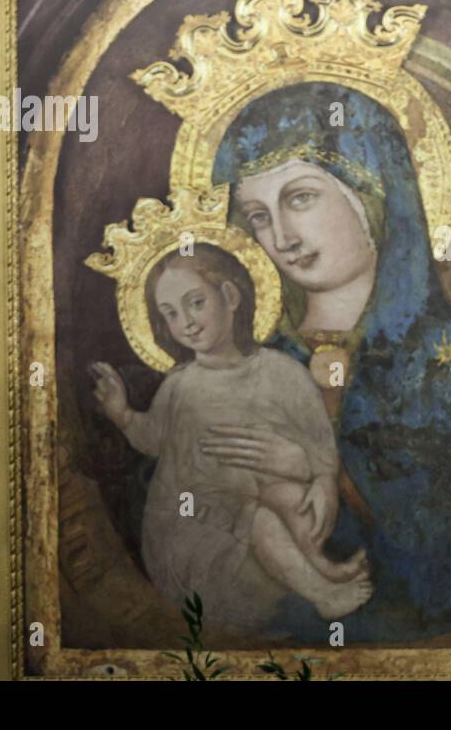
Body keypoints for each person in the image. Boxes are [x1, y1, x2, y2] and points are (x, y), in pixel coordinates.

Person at [203, 81, 451, 641]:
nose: (282, 237)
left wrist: (325, 470)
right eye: (258, 216)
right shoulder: (244, 364)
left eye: (300, 198)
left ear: (372, 192)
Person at [90, 243, 372, 627]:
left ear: (230, 296)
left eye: (195, 303)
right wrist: (121, 414)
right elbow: (153, 440)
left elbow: (318, 440)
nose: (186, 322)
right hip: (192, 525)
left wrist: (323, 480)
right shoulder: (180, 386)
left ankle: (320, 567)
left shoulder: (283, 373)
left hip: (254, 507)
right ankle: (323, 595)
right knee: (258, 518)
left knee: (290, 497)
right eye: (170, 314)